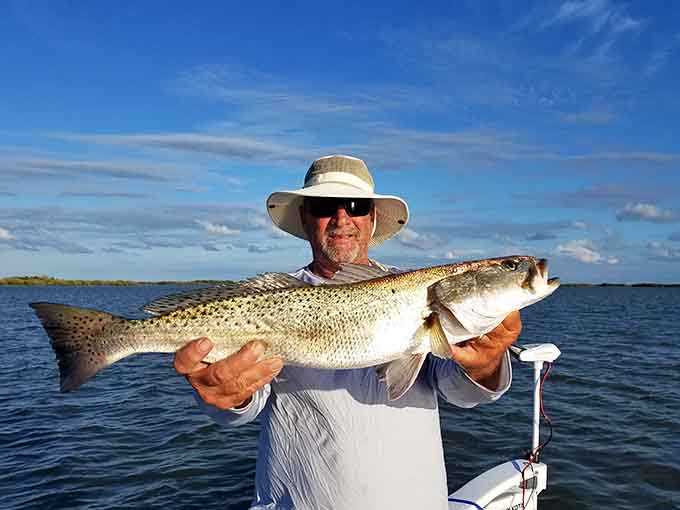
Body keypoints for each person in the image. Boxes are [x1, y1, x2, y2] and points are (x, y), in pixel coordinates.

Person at [173, 155, 521, 510]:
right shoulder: (272, 298)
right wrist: (229, 395)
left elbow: (459, 391)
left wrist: (484, 364)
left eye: (355, 206)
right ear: (306, 219)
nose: (342, 218)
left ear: (371, 220)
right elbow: (242, 407)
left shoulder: (417, 294)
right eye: (325, 206)